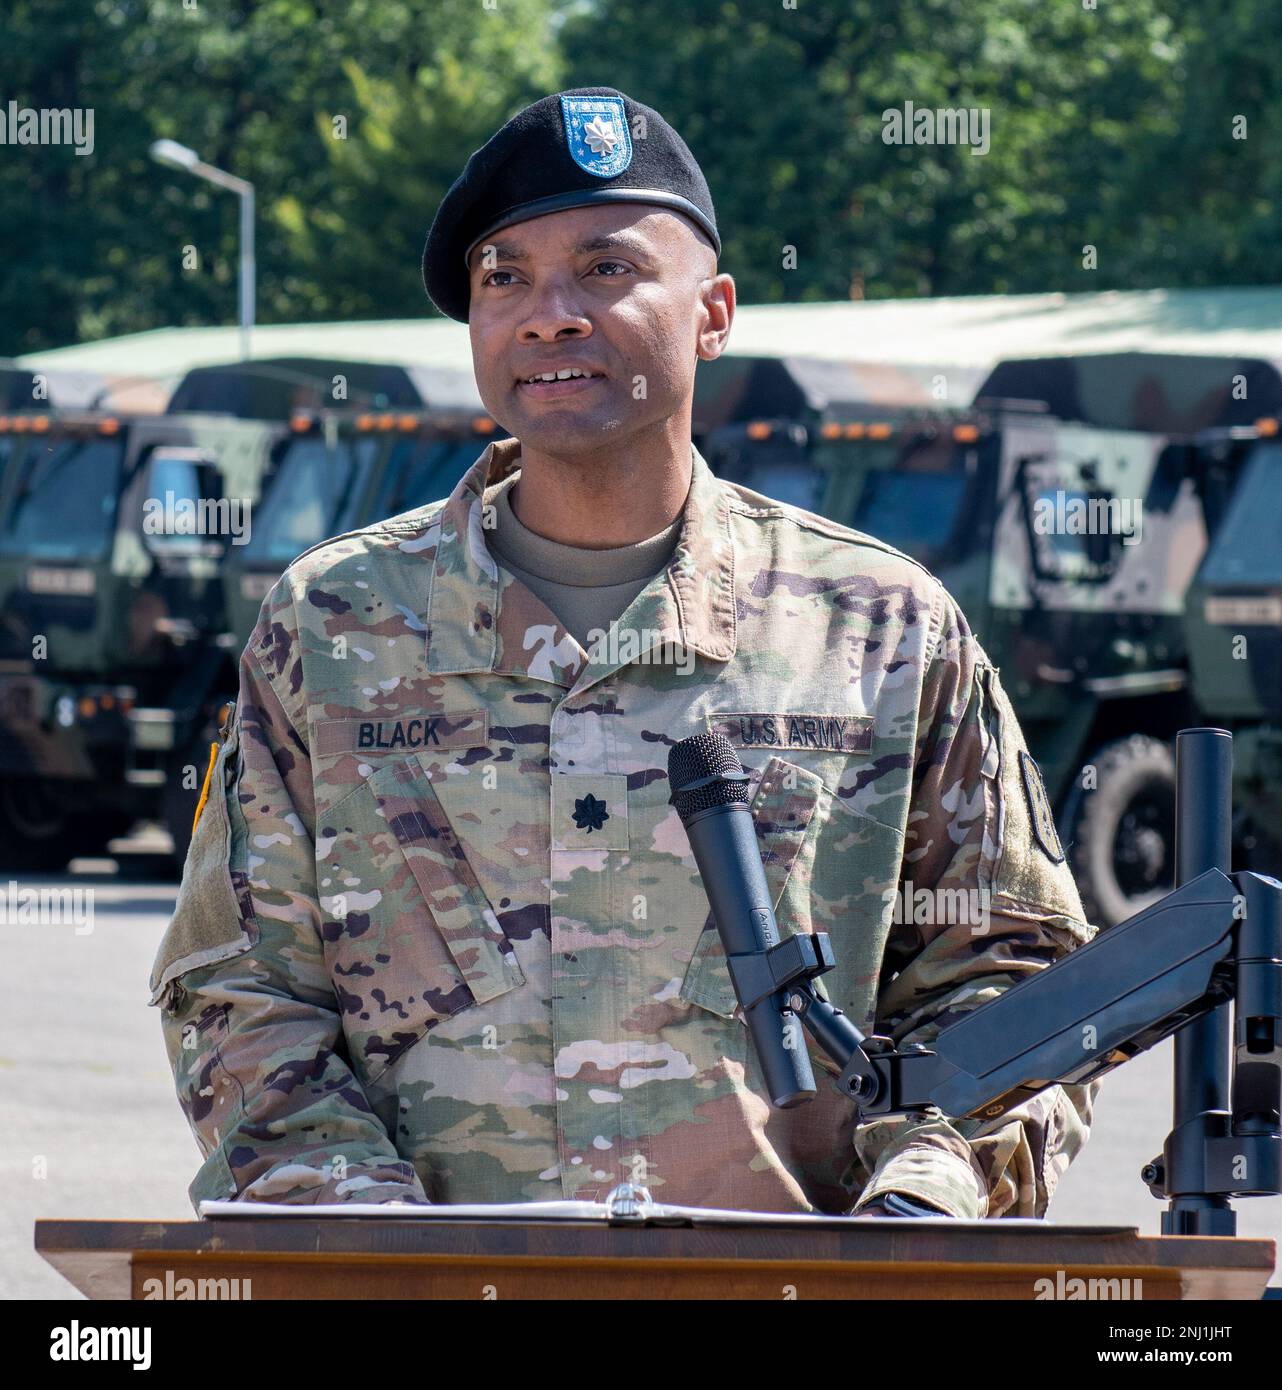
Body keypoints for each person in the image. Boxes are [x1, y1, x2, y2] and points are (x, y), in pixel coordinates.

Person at [150, 86, 1099, 1219]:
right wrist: (381, 1238)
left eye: (605, 270)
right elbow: (239, 987)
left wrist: (923, 1202)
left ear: (713, 312)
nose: (547, 314)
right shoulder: (333, 627)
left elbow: (1011, 974)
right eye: (503, 278)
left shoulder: (880, 626)